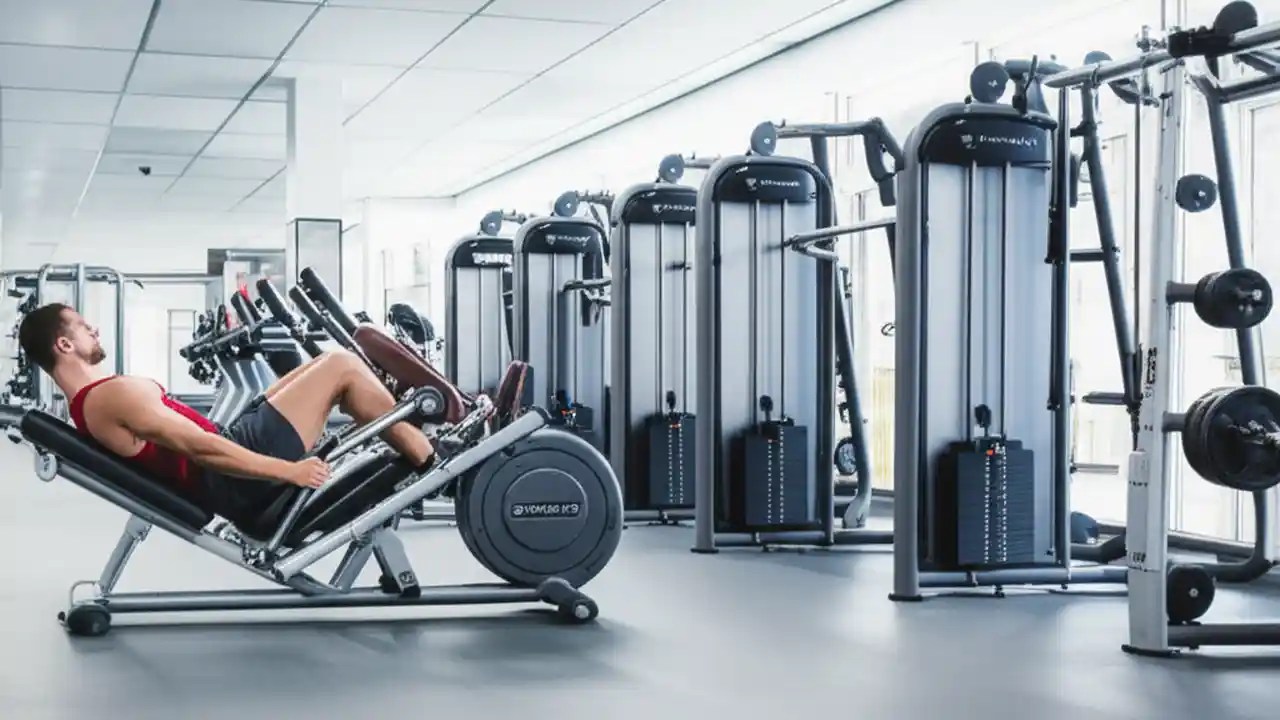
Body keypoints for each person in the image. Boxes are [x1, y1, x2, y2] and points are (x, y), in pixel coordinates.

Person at [17, 303, 435, 525]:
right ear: (64, 345)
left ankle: (418, 437)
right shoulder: (106, 398)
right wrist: (286, 472)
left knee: (326, 367)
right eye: (82, 326)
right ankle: (435, 464)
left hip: (231, 453)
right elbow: (198, 447)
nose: (94, 330)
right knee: (342, 365)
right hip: (233, 479)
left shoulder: (90, 404)